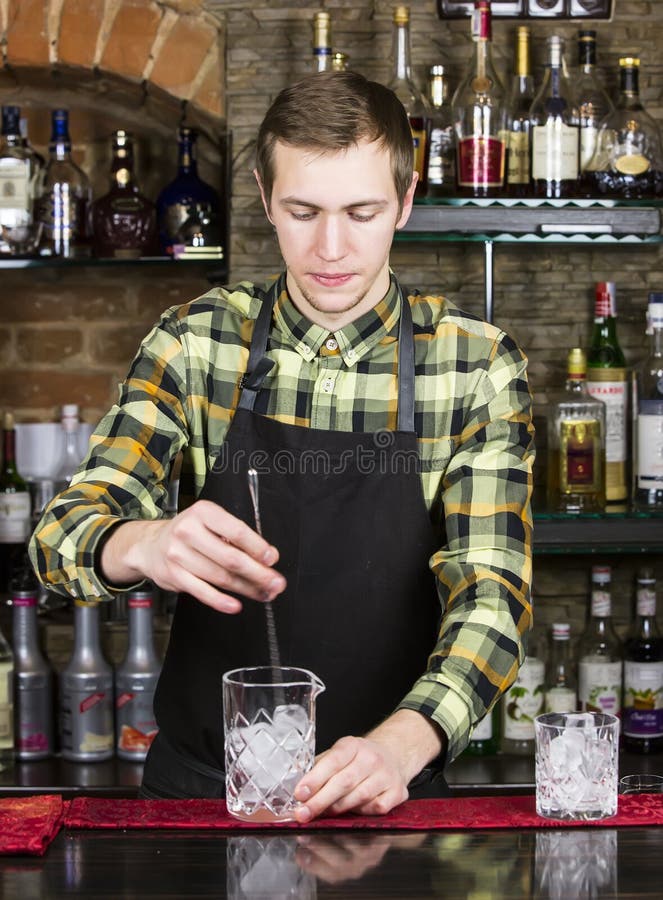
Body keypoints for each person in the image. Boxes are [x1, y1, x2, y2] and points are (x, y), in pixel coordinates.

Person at [30, 71, 534, 820]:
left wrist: (402, 741)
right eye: (302, 211)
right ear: (265, 199)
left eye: (361, 212)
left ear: (405, 200)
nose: (330, 248)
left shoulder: (473, 365)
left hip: (387, 794)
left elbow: (492, 593)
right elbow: (56, 543)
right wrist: (142, 543)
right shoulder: (195, 343)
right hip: (200, 796)